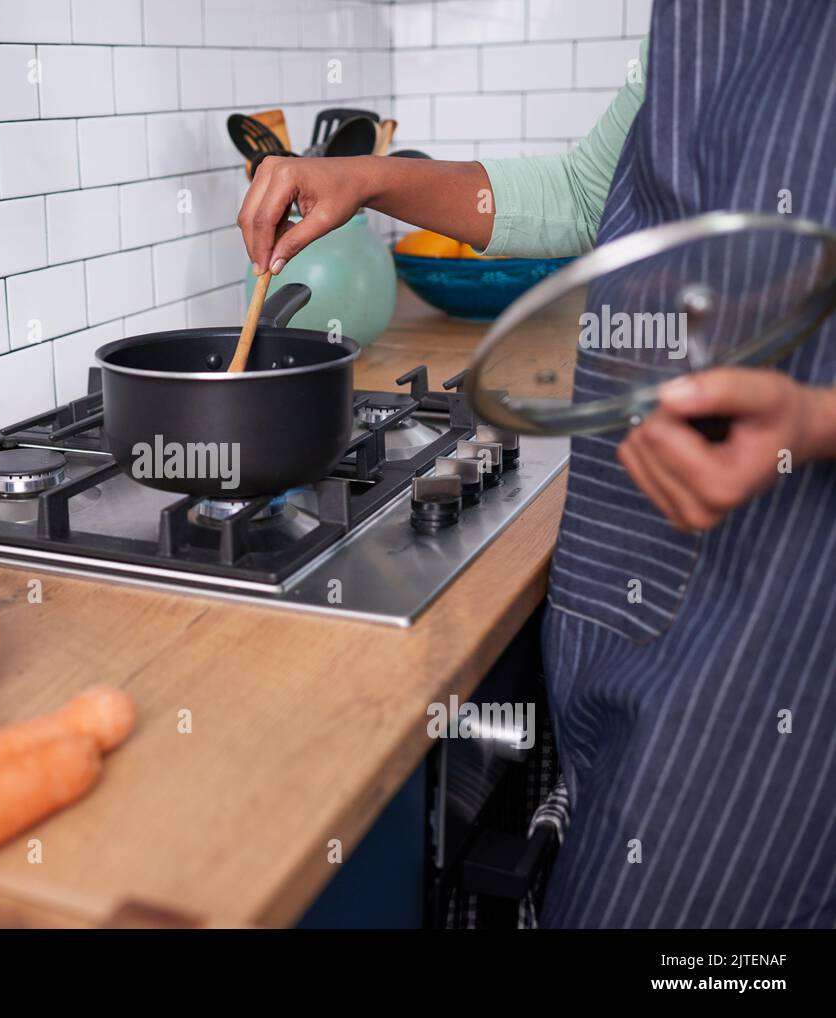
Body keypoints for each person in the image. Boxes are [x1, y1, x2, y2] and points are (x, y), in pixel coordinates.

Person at [237, 2, 835, 928]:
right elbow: (581, 192)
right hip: (635, 552)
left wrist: (816, 420)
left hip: (792, 605)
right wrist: (360, 179)